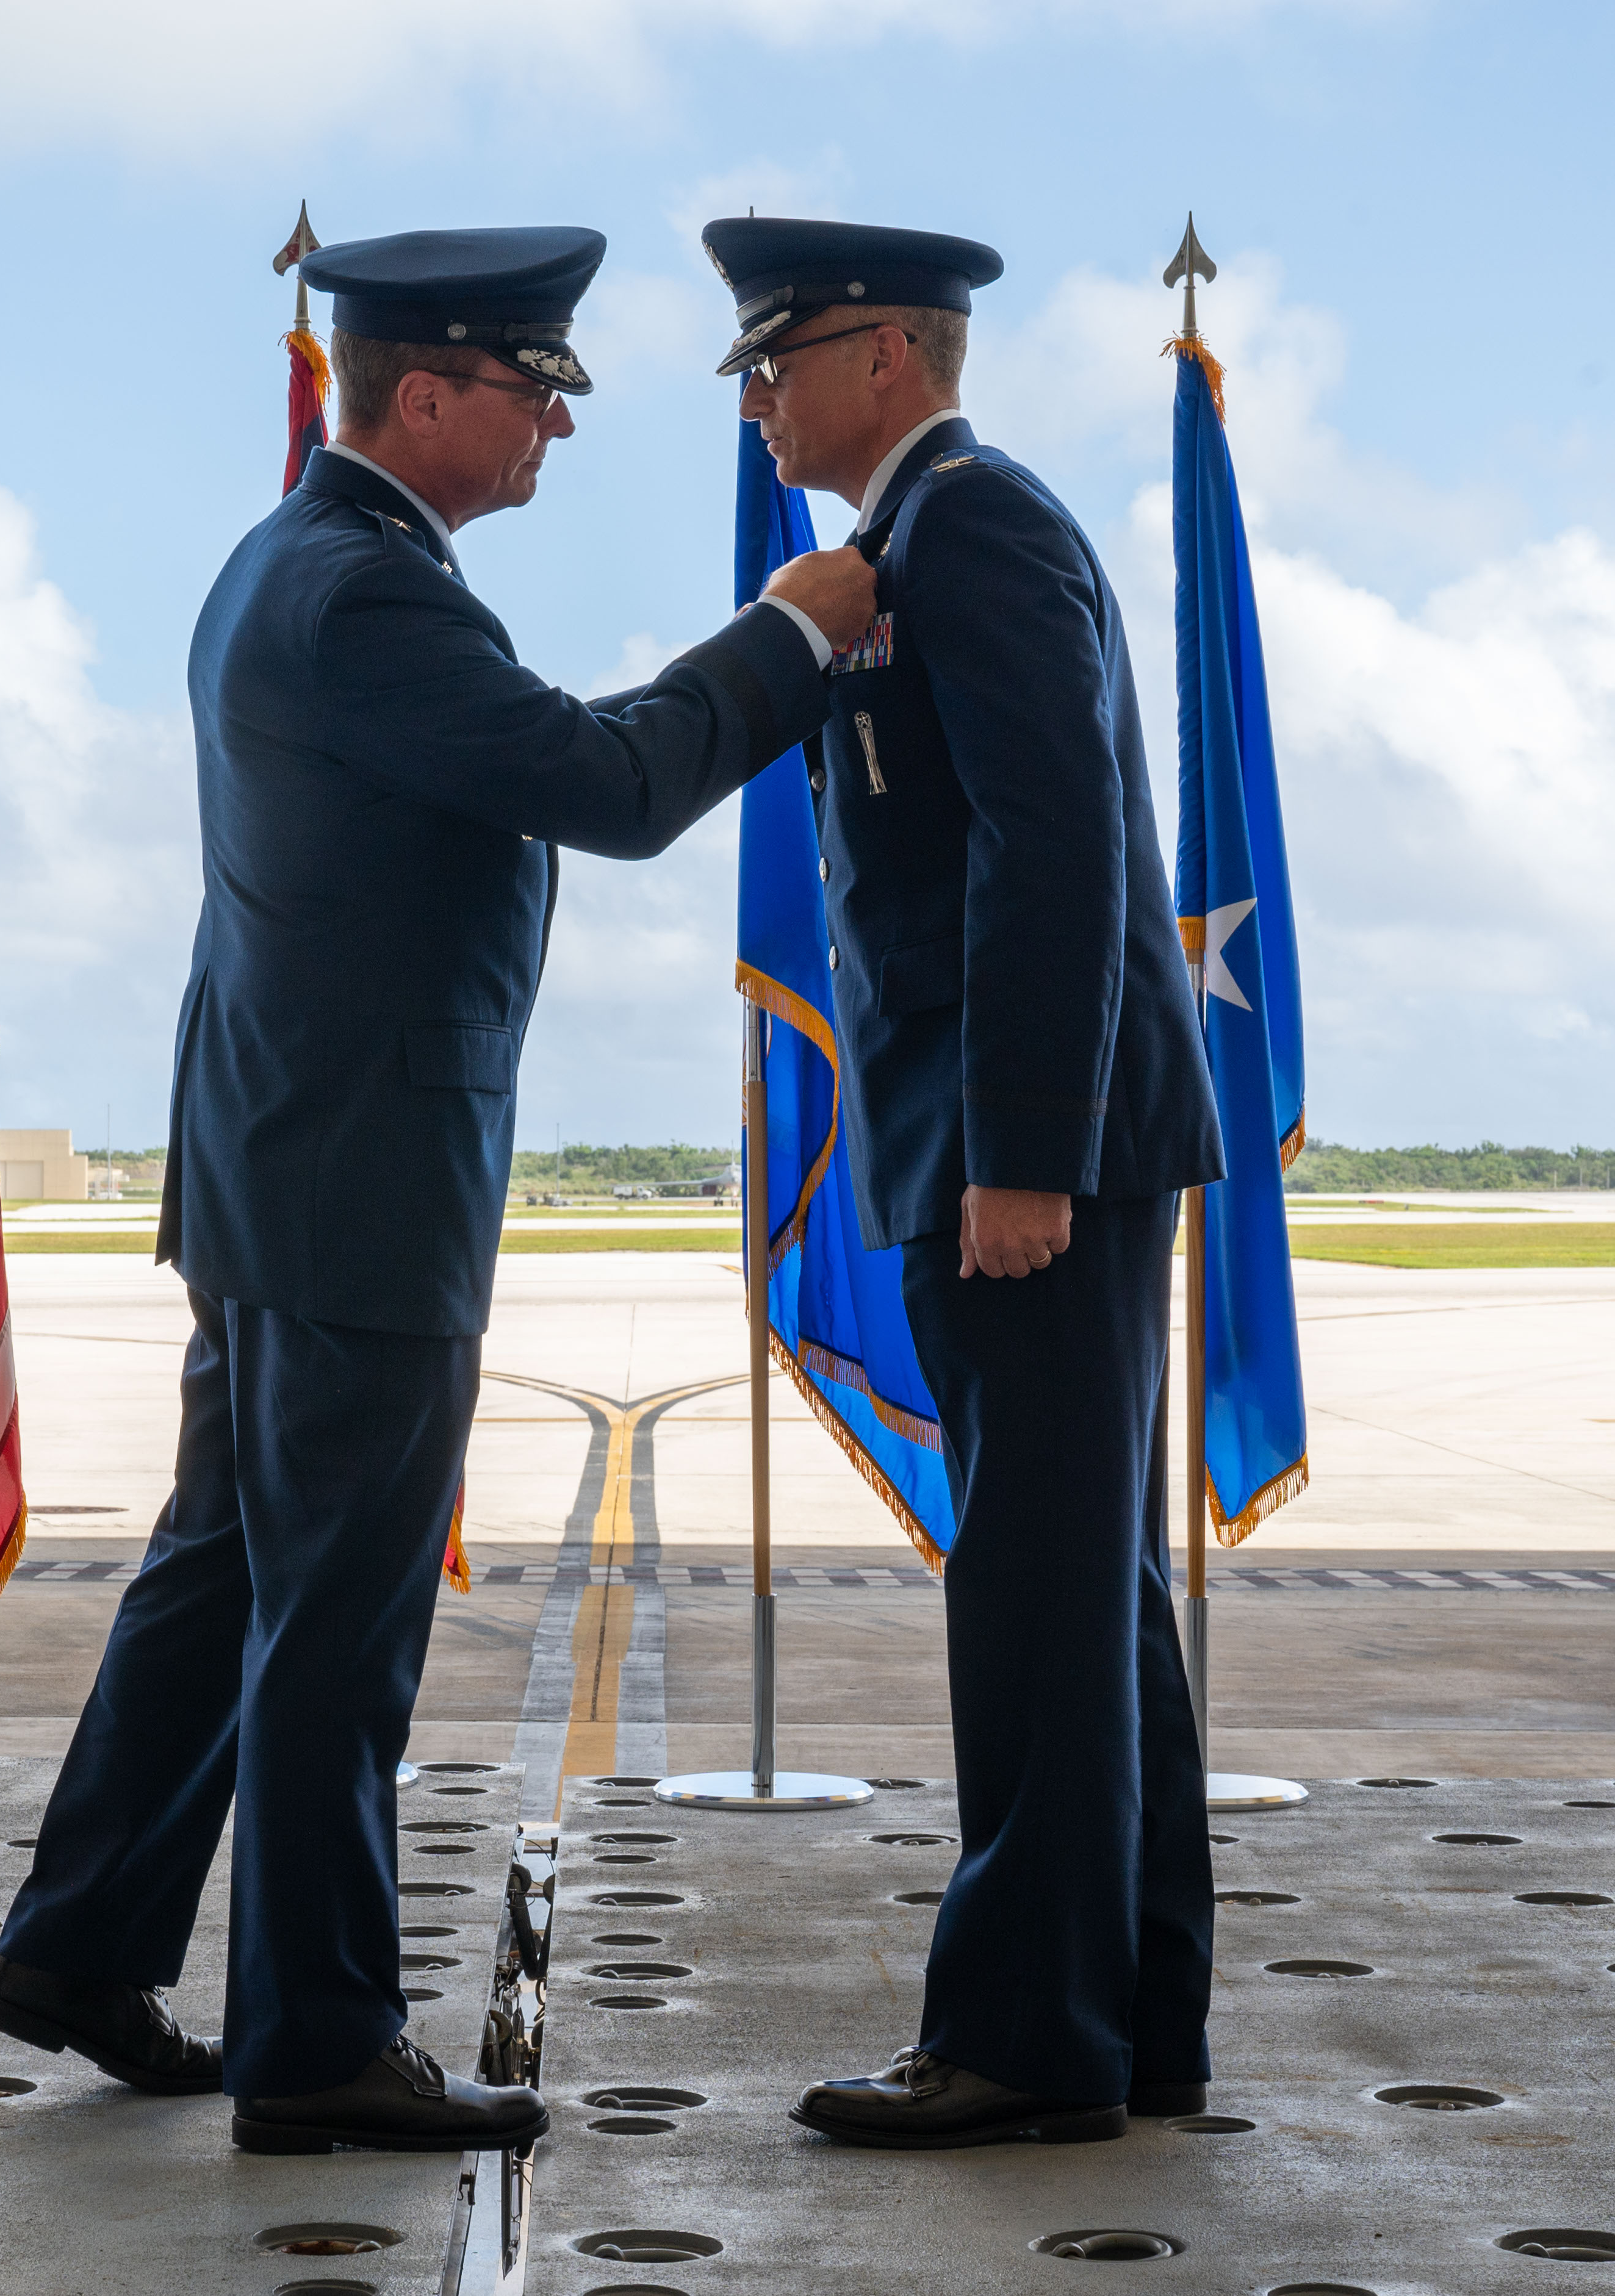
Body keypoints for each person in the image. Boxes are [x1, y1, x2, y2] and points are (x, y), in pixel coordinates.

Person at [0, 223, 876, 2157]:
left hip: (281, 1165)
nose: (557, 420)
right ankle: (316, 2042)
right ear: (428, 393)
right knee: (336, 1621)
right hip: (361, 1182)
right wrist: (795, 631)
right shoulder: (370, 598)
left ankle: (78, 1944)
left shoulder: (300, 564)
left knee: (225, 1581)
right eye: (534, 387)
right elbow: (613, 784)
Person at [699, 215, 1225, 2150]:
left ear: (892, 362)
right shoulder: (901, 552)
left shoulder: (973, 528)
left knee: (1034, 1595)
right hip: (1022, 1143)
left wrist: (1021, 1154)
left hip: (1034, 1160)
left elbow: (1052, 850)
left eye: (782, 359)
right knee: (1087, 1593)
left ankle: (1022, 2039)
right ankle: (1129, 2018)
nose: (757, 397)